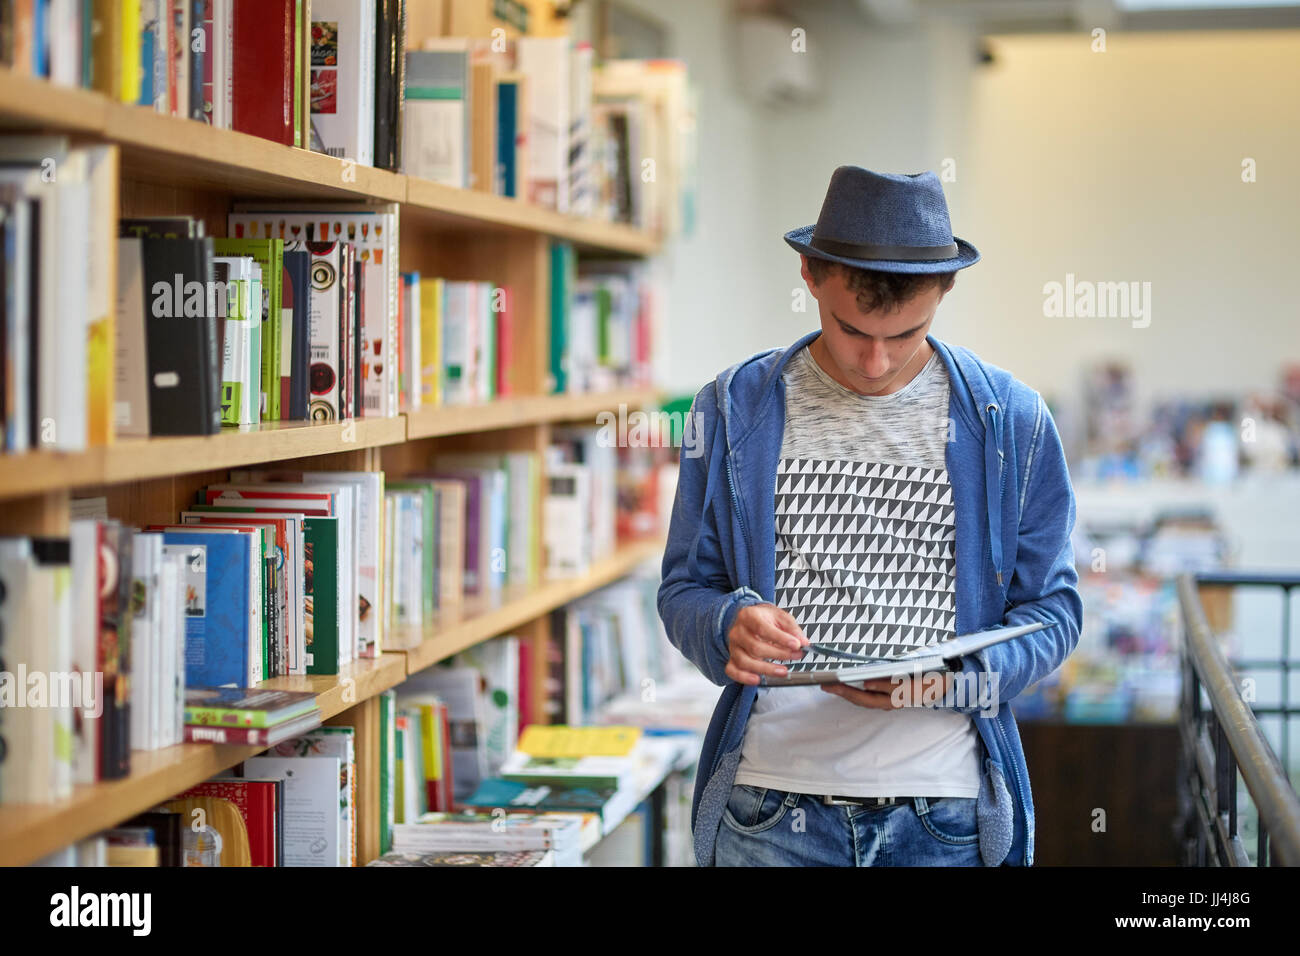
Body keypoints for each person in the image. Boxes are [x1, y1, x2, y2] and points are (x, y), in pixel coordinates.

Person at [657, 166, 1083, 867]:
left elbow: (1055, 614)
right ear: (809, 274)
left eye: (907, 333)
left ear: (945, 290)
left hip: (944, 814)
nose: (877, 362)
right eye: (852, 330)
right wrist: (725, 624)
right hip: (768, 809)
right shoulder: (733, 408)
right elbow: (683, 591)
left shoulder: (1014, 424)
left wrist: (954, 682)